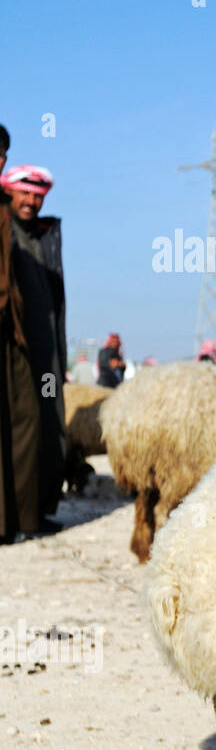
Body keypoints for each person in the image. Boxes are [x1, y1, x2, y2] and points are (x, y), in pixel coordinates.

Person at [2, 163, 65, 537]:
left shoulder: (43, 235)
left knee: (49, 428)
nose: (31, 200)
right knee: (20, 429)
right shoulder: (4, 229)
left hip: (47, 351)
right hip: (15, 348)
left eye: (38, 195)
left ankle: (37, 511)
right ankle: (14, 517)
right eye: (25, 192)